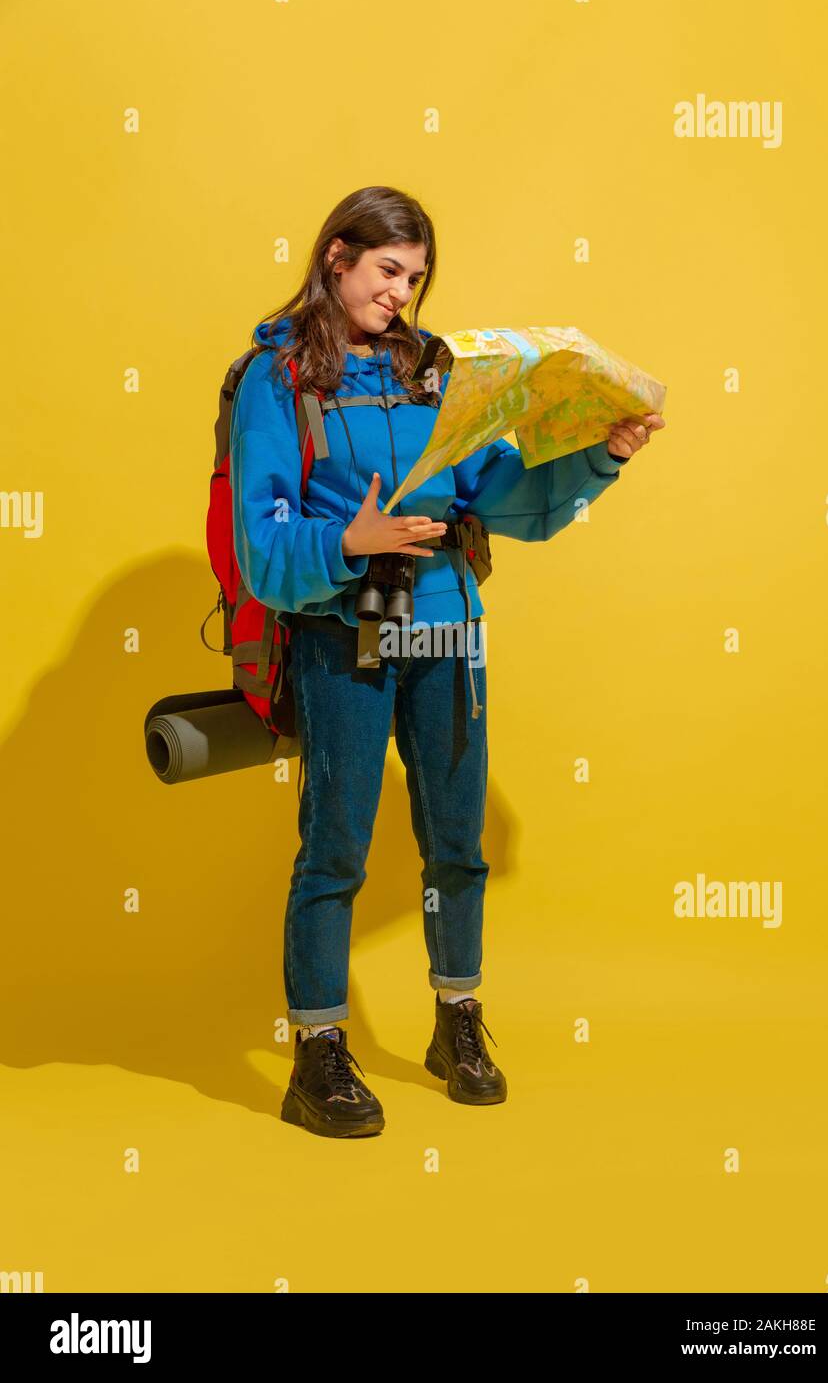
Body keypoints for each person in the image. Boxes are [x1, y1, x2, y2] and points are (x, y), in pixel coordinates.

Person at [229, 186, 664, 1139]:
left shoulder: (436, 372)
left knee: (456, 843)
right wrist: (355, 538)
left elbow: (503, 494)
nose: (402, 294)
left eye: (416, 277)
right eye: (389, 271)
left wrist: (603, 455)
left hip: (443, 627)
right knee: (337, 847)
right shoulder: (277, 377)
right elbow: (261, 547)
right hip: (341, 628)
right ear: (336, 257)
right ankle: (318, 1054)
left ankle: (457, 1025)